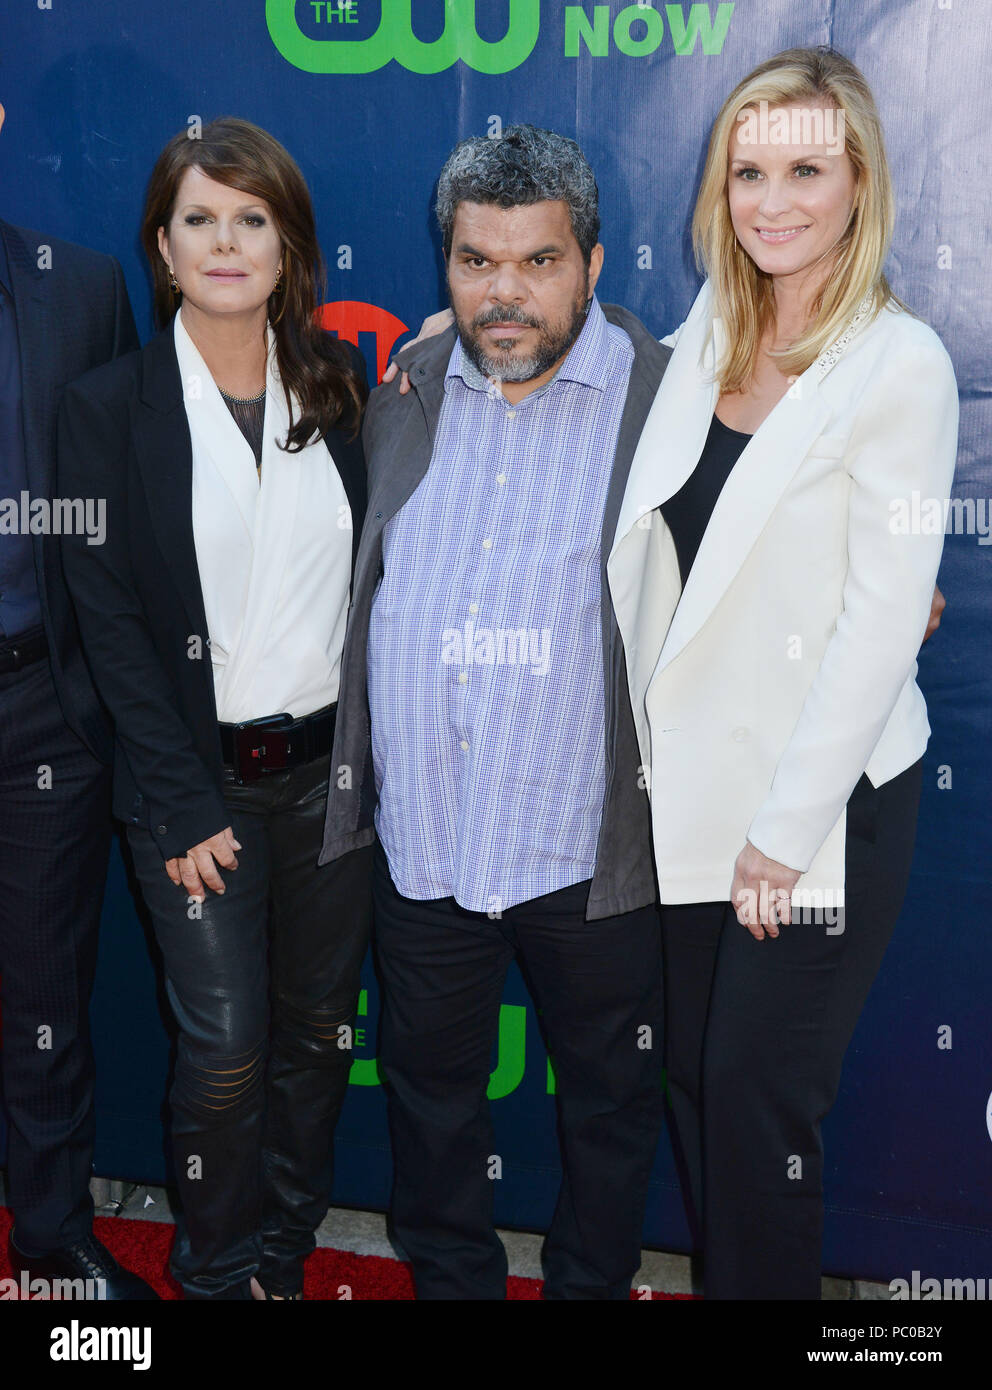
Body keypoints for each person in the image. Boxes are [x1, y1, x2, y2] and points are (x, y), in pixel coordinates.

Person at [607, 46, 959, 1298]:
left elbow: (877, 624)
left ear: (856, 180)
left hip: (820, 805)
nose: (772, 202)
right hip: (696, 788)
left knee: (760, 1105)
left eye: (805, 169)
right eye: (749, 171)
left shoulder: (898, 362)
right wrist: (446, 349)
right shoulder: (713, 324)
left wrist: (783, 835)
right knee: (700, 1079)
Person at [319, 124, 672, 1299]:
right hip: (425, 842)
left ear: (592, 262)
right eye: (477, 261)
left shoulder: (662, 401)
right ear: (445, 266)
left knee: (610, 1107)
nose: (504, 292)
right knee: (428, 1109)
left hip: (590, 852)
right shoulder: (406, 392)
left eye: (536, 261)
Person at [58, 117, 371, 1301]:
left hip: (330, 785)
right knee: (228, 1045)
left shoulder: (342, 390)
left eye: (253, 219)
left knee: (312, 1045)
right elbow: (112, 627)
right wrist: (183, 803)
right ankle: (213, 1264)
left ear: (288, 247)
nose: (226, 241)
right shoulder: (105, 408)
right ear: (163, 244)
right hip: (193, 792)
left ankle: (278, 1267)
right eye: (201, 218)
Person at [0, 100, 158, 1298]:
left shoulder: (83, 287)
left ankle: (51, 1237)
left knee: (44, 992)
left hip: (37, 709)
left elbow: (118, 508)